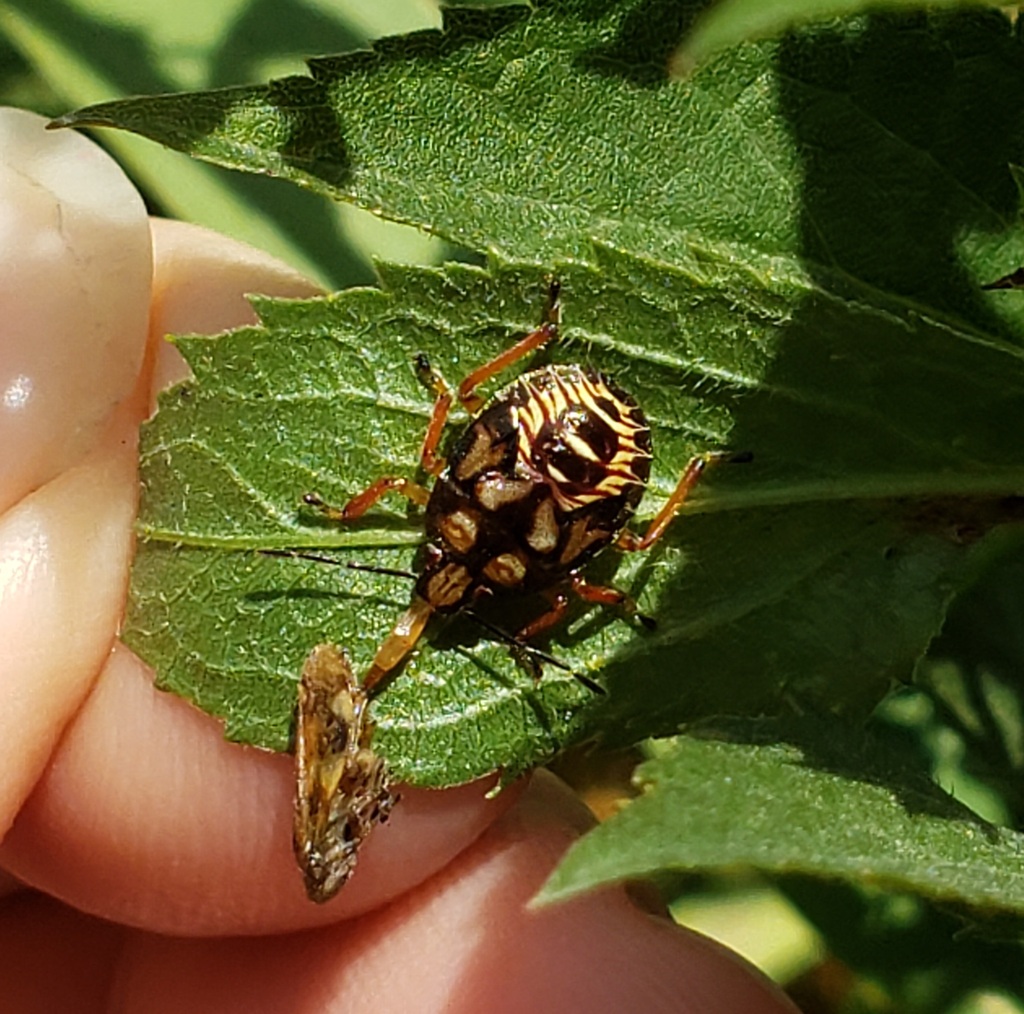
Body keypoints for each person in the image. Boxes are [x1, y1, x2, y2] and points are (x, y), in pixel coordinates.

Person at [0, 108, 797, 1012]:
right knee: (588, 526)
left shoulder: (458, 521)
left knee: (471, 446)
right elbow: (563, 555)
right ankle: (640, 427)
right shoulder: (512, 562)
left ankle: (565, 355)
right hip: (577, 456)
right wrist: (539, 623)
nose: (448, 584)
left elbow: (442, 457)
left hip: (558, 432)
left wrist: (491, 587)